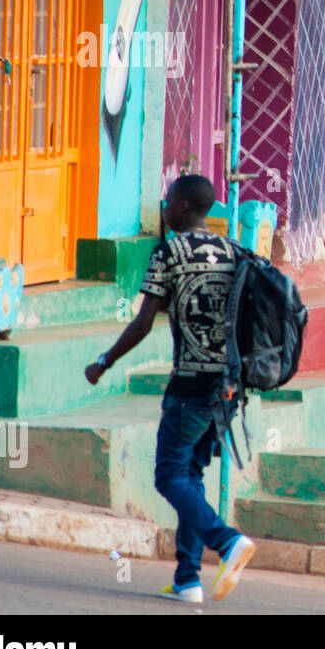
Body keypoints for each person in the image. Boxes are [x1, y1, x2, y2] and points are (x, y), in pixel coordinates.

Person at [84, 174, 255, 603]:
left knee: (169, 476)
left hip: (190, 387)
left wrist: (104, 361)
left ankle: (227, 540)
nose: (164, 208)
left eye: (168, 202)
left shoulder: (169, 252)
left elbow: (143, 322)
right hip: (228, 389)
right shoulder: (233, 250)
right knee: (191, 477)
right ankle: (187, 579)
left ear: (181, 206)